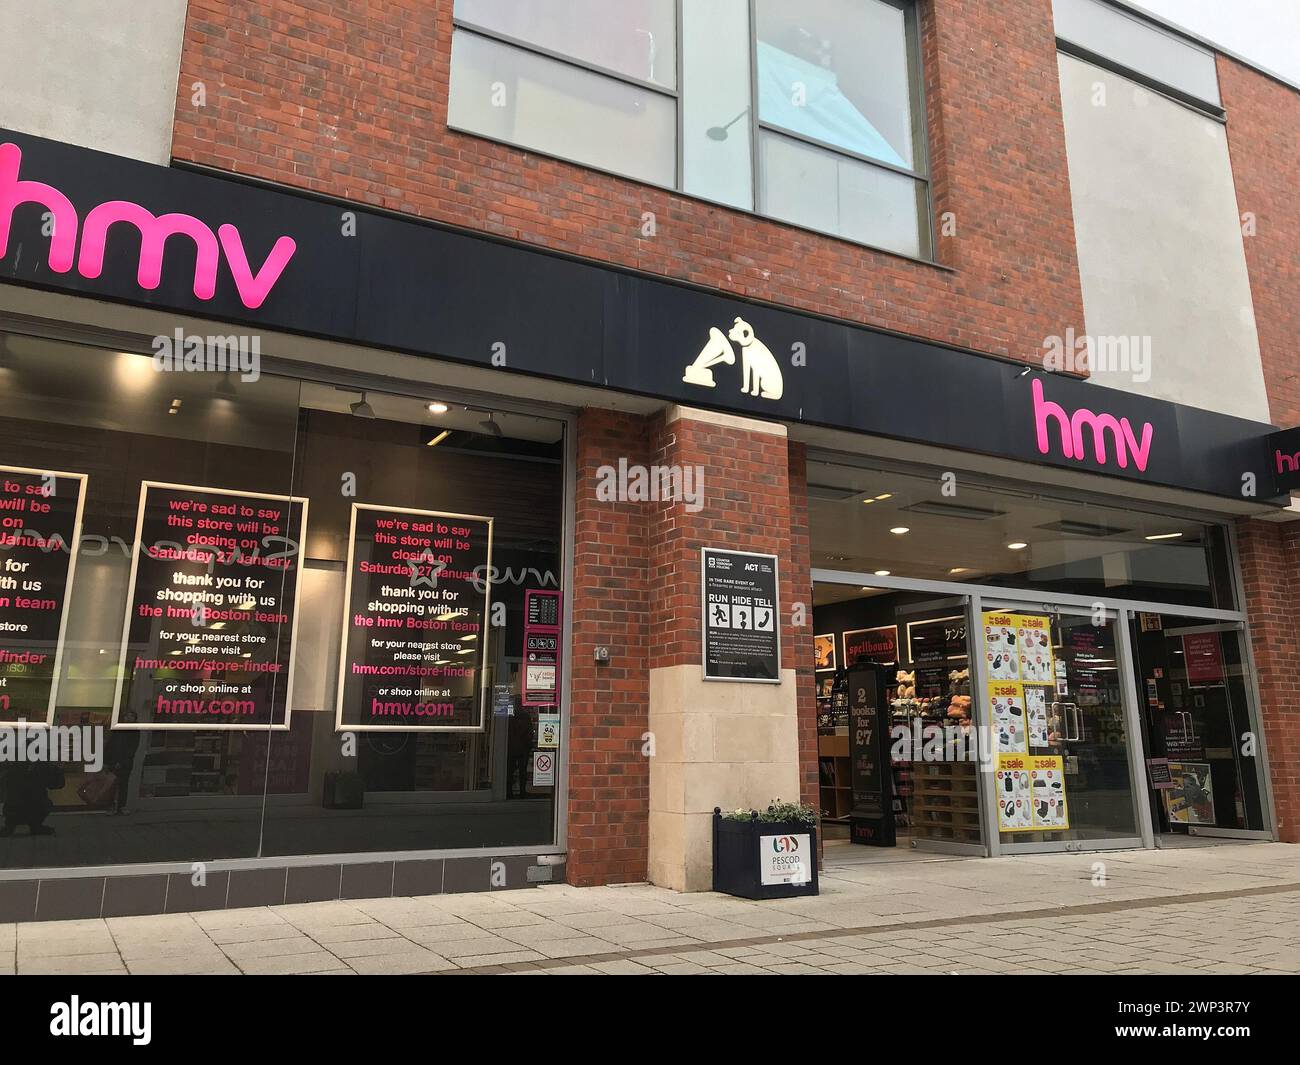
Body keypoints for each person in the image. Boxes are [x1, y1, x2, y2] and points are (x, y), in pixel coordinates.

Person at [0, 762, 64, 836]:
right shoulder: (41, 766)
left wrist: (58, 769)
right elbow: (56, 784)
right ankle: (33, 825)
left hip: (17, 806)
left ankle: (12, 825)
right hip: (28, 805)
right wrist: (58, 769)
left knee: (19, 797)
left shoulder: (16, 765)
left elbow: (56, 784)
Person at [104, 713, 143, 815]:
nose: (128, 718)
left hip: (125, 763)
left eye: (131, 716)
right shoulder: (118, 729)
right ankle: (111, 806)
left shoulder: (134, 731)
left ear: (134, 718)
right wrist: (107, 761)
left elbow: (132, 749)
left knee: (123, 785)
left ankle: (121, 806)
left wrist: (121, 762)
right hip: (114, 761)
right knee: (112, 784)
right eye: (127, 716)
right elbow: (110, 744)